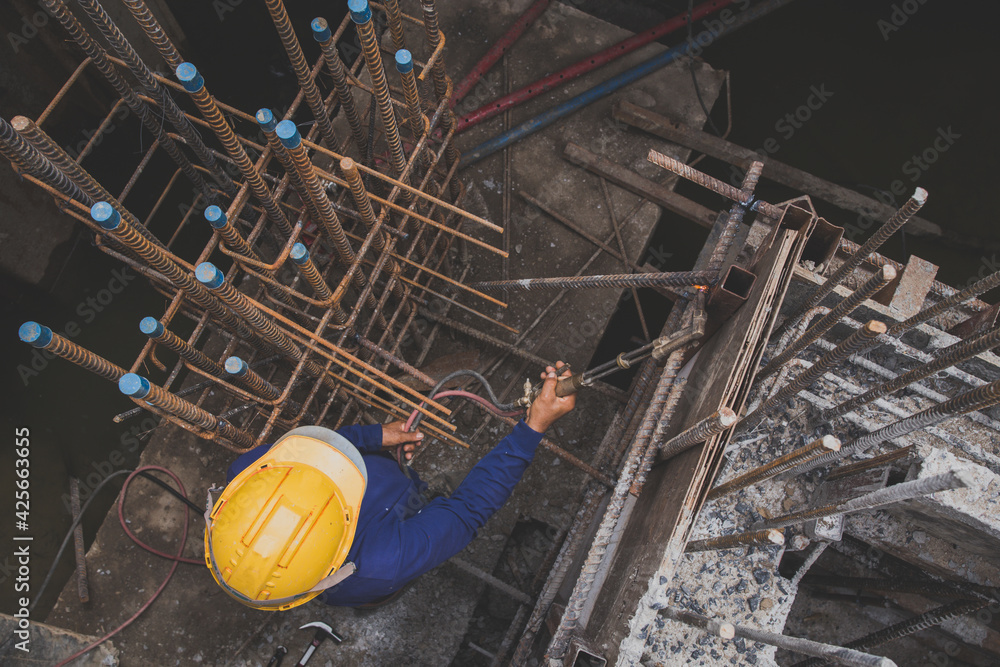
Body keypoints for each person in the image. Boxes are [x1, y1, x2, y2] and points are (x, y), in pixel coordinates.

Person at [205, 363, 576, 609]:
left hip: (384, 493)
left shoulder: (251, 473)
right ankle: (378, 600)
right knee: (384, 588)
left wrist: (373, 437)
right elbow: (467, 510)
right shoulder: (382, 564)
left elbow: (323, 445)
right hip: (385, 555)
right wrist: (532, 429)